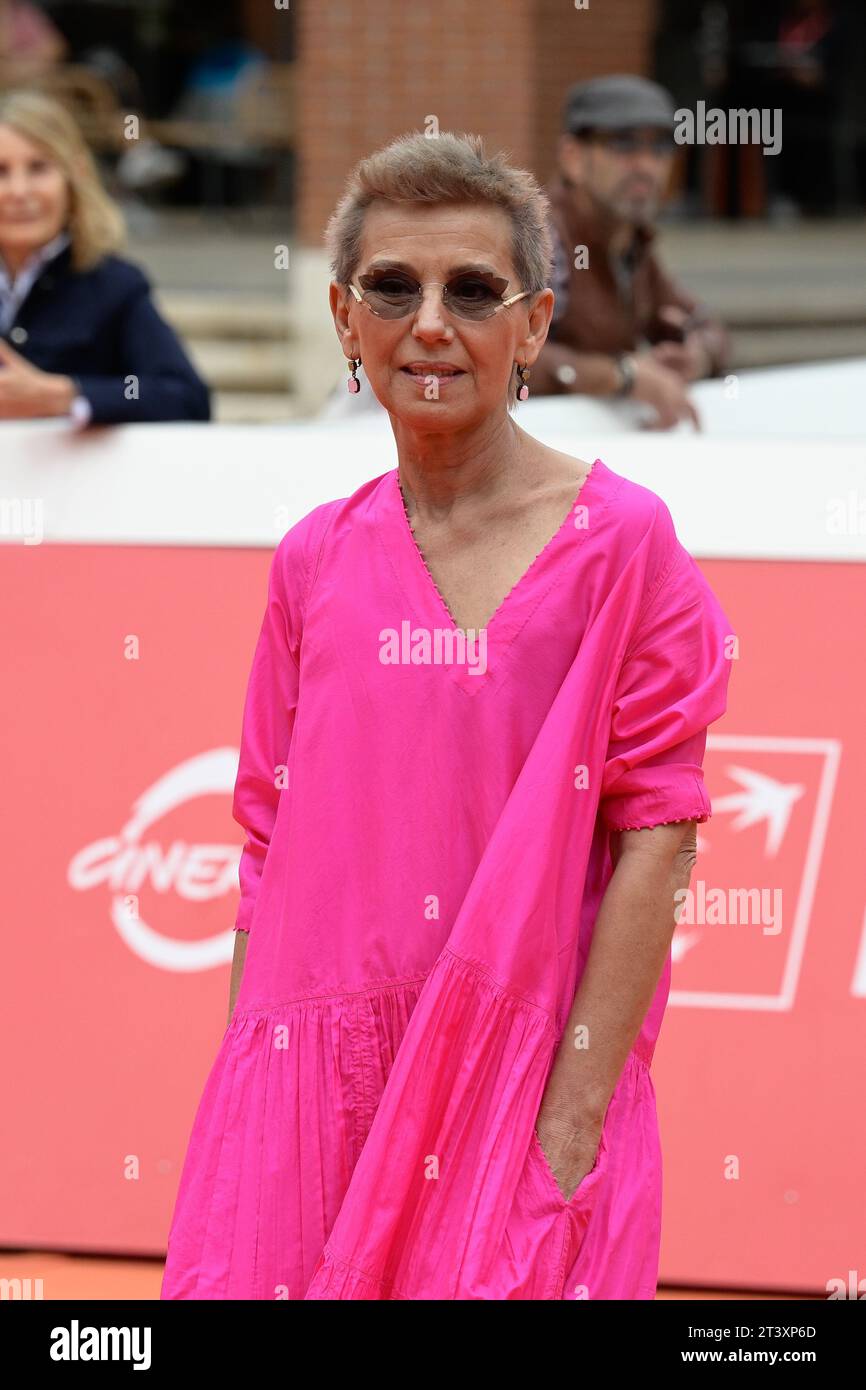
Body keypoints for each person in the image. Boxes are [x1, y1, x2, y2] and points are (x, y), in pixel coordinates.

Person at [161, 131, 733, 1301]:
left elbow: (657, 838)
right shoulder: (313, 559)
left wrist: (568, 1121)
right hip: (312, 1089)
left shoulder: (624, 546)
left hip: (516, 1085)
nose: (429, 324)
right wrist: (247, 1102)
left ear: (531, 326)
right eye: (392, 287)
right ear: (342, 315)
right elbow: (265, 844)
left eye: (472, 290)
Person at [0, 90, 211, 424]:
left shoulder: (113, 286)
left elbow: (184, 397)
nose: (19, 192)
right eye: (1, 172)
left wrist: (67, 395)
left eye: (38, 168)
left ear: (74, 176)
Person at [533, 74, 730, 429]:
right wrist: (621, 376)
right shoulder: (542, 238)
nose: (646, 165)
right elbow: (502, 358)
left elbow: (705, 323)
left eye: (659, 148)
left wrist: (697, 354)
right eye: (623, 146)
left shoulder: (631, 242)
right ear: (573, 157)